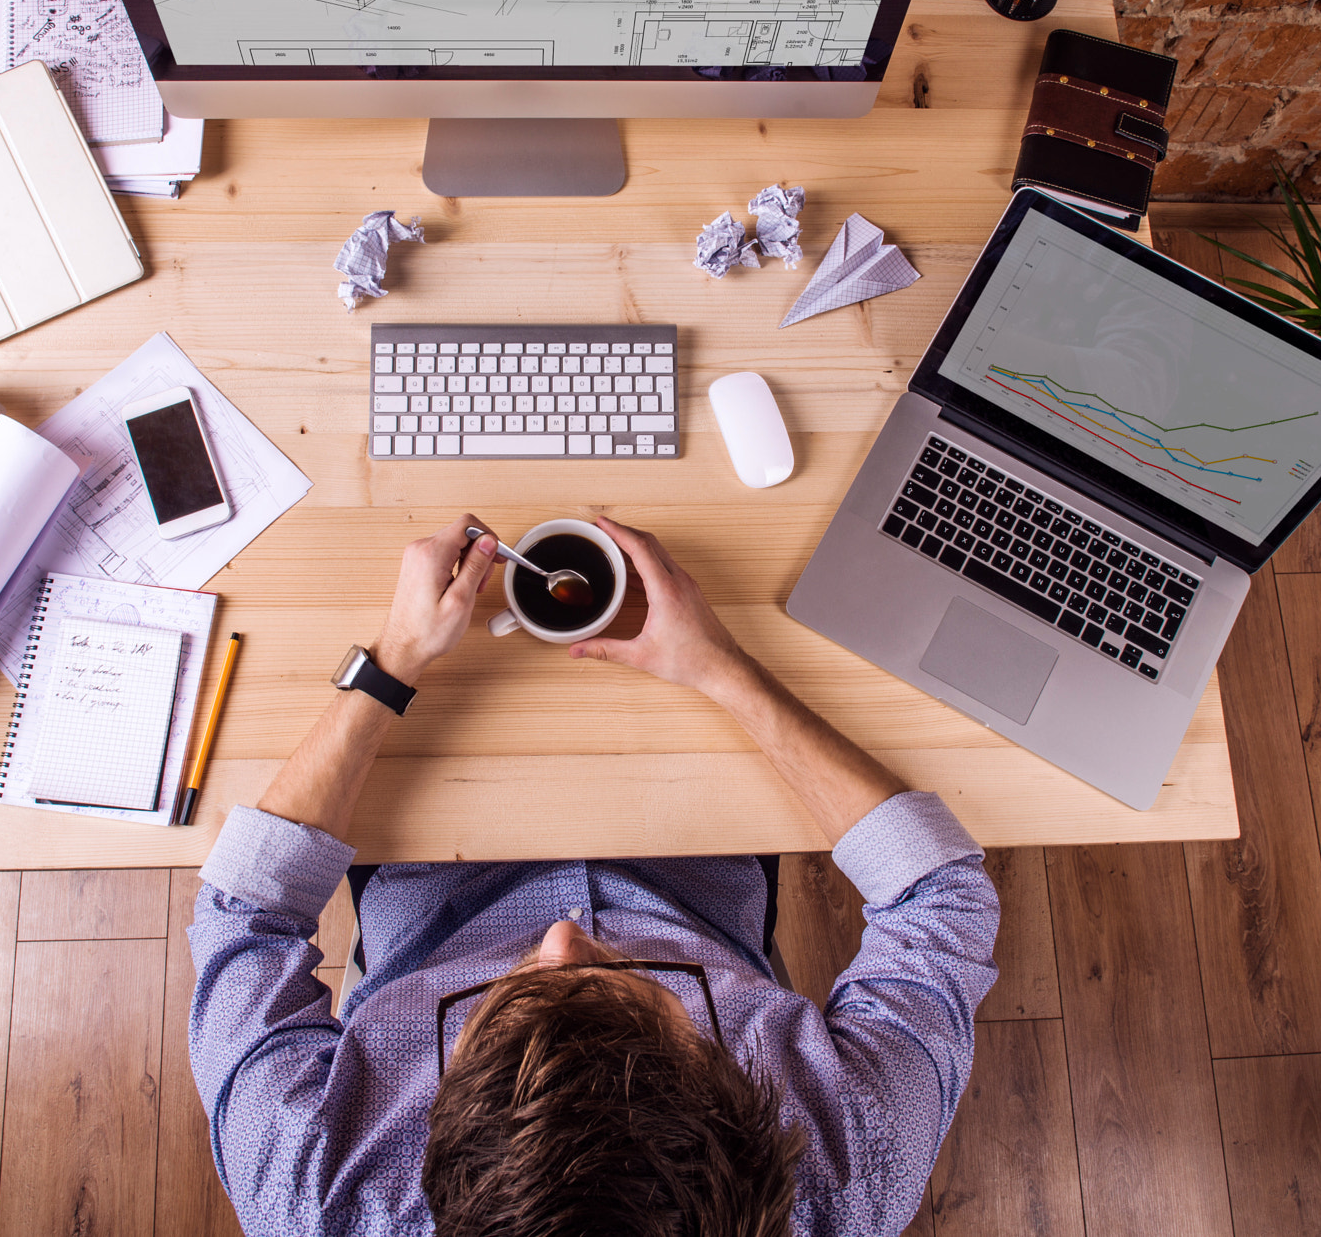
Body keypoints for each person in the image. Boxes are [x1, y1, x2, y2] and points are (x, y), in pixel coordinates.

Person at [189, 514, 1000, 1236]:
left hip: (429, 869)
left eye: (497, 1014)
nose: (563, 936)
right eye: (643, 990)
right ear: (743, 1100)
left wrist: (394, 658)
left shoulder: (315, 1194)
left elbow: (242, 913)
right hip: (706, 859)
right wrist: (720, 667)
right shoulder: (851, 1179)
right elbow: (941, 892)